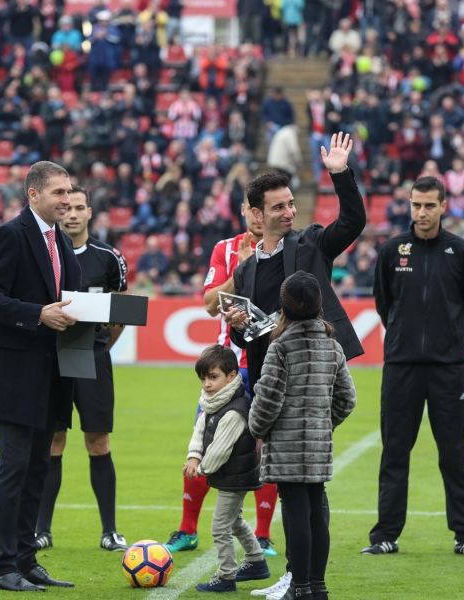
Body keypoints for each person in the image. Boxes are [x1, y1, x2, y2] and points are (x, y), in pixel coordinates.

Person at [223, 131, 365, 599]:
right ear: (256, 214)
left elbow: (354, 220)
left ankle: (304, 582)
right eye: (279, 206)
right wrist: (240, 325)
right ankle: (301, 579)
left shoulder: (310, 243)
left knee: (301, 495)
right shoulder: (245, 269)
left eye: (290, 204)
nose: (289, 212)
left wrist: (340, 173)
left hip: (310, 380)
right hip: (272, 380)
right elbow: (247, 338)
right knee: (301, 495)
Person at [362, 176, 464, 557]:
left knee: (454, 452)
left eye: (429, 205)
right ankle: (385, 535)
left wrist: (447, 340)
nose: (422, 212)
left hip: (449, 369)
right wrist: (405, 337)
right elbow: (385, 306)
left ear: (443, 206)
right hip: (401, 367)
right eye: (417, 205)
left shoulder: (463, 254)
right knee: (395, 451)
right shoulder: (390, 252)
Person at [0, 161, 81, 592]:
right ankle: (1, 566)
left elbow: (68, 300)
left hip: (53, 372)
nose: (67, 200)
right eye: (58, 192)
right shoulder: (9, 235)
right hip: (15, 374)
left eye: (69, 192)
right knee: (14, 466)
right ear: (33, 195)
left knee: (39, 467)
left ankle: (25, 559)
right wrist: (37, 314)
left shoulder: (63, 242)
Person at [163, 194, 281, 559]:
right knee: (204, 440)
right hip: (228, 368)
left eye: (267, 209)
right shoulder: (225, 248)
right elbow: (210, 303)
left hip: (271, 361)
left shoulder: (290, 251)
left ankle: (262, 536)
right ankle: (187, 530)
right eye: (253, 209)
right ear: (245, 211)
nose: (259, 216)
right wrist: (241, 270)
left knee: (266, 449)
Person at [250, 271, 357, 600]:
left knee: (296, 515)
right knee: (316, 512)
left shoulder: (281, 346)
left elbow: (267, 399)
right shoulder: (332, 345)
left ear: (284, 306)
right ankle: (318, 586)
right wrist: (323, 424)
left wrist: (258, 429)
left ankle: (300, 586)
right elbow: (347, 399)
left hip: (286, 447)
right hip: (318, 446)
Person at [35, 186, 130, 552]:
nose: (72, 214)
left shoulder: (109, 257)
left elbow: (120, 310)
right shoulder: (46, 254)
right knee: (53, 441)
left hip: (91, 358)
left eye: (79, 208)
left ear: (89, 212)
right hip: (53, 359)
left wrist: (101, 348)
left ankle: (109, 531)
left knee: (98, 441)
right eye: (67, 207)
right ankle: (42, 530)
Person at [186, 345, 272, 593]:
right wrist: (193, 455)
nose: (206, 384)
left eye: (213, 377)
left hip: (237, 474)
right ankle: (256, 561)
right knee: (235, 521)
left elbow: (220, 449)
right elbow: (200, 430)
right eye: (203, 378)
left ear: (232, 376)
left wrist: (201, 468)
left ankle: (225, 576)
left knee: (220, 526)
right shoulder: (212, 401)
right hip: (229, 473)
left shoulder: (236, 410)